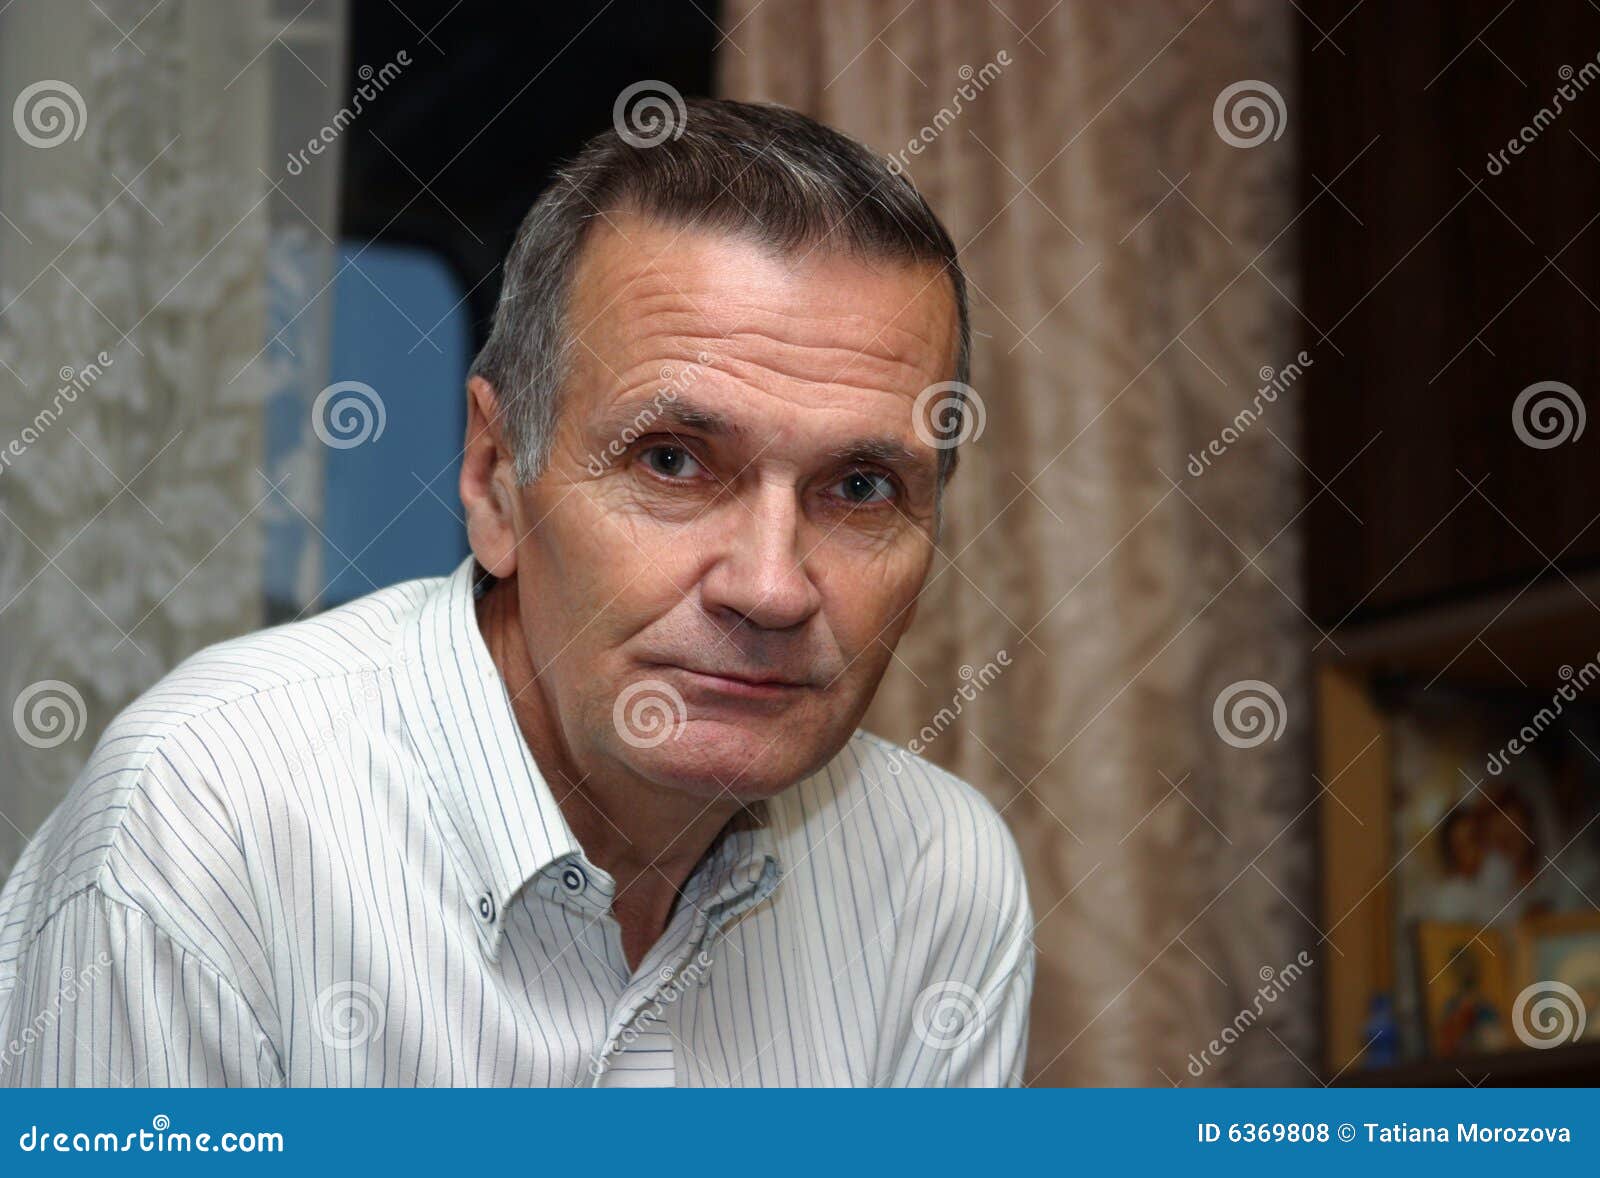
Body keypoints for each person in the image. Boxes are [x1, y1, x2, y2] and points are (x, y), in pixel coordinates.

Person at [0, 98, 1032, 1087]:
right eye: (672, 461)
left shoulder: (937, 877)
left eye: (859, 488)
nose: (769, 587)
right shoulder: (209, 819)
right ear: (495, 477)